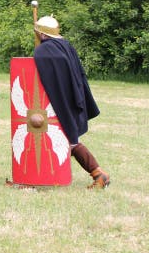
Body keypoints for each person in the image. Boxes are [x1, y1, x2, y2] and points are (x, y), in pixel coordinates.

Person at [33, 15, 110, 189]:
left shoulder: (45, 51)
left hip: (58, 101)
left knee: (68, 139)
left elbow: (50, 79)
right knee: (65, 138)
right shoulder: (64, 45)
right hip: (73, 96)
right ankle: (96, 173)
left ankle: (98, 173)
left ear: (42, 34)